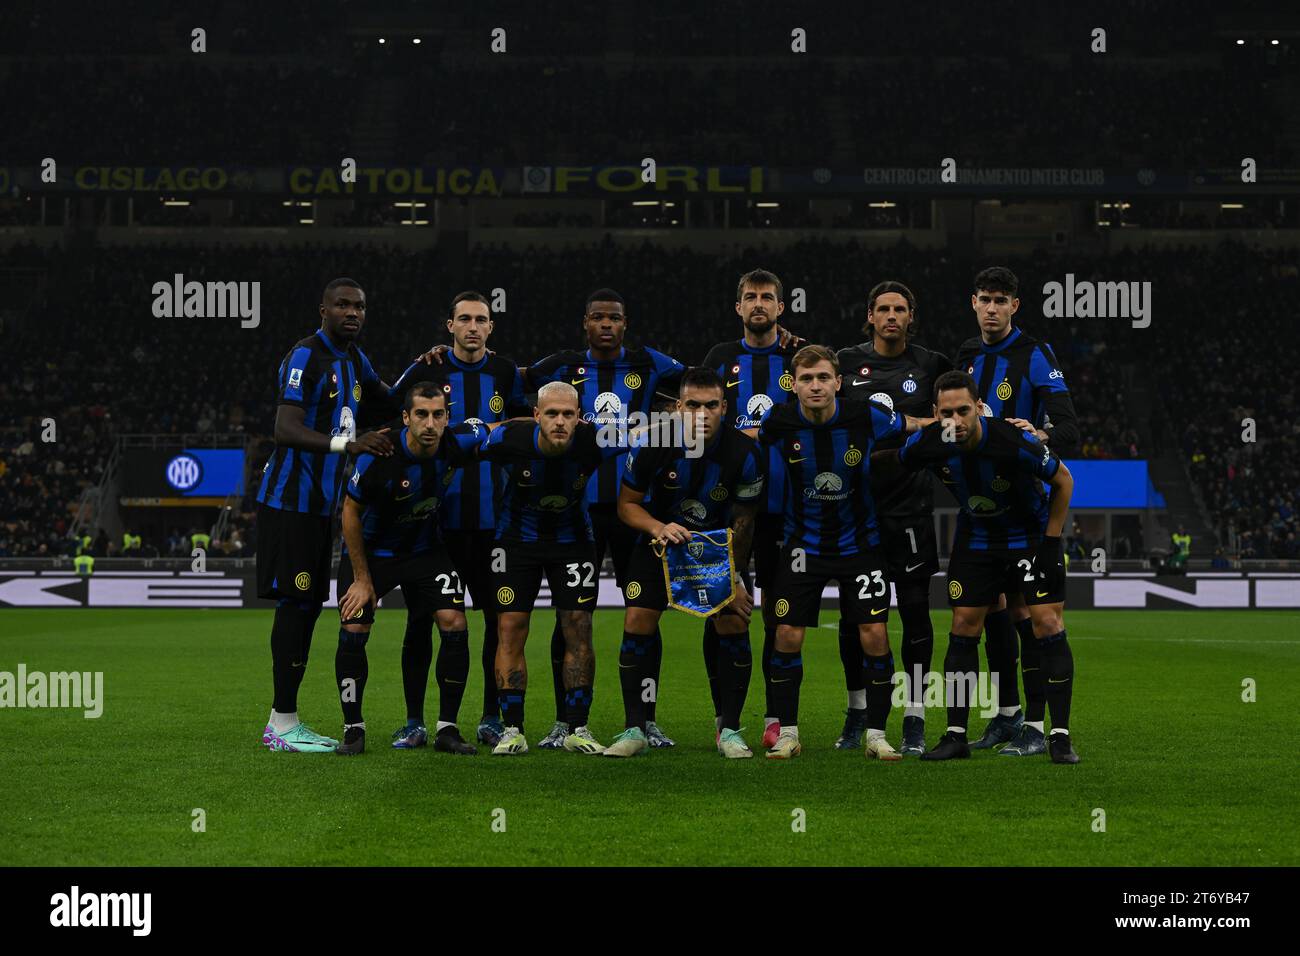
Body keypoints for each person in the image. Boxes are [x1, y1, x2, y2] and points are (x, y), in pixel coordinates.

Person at [877, 369, 1080, 764]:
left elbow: (1064, 481)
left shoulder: (1011, 439)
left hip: (1029, 537)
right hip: (977, 538)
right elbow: (891, 463)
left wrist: (1052, 545)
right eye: (947, 412)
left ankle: (1058, 735)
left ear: (979, 407)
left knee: (1047, 624)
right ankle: (956, 735)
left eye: (964, 411)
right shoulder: (929, 442)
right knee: (963, 626)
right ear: (935, 413)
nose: (956, 421)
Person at [526, 289, 687, 749]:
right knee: (572, 616)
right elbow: (509, 380)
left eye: (613, 318)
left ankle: (645, 719)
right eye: (597, 317)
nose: (605, 325)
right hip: (578, 511)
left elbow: (698, 380)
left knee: (645, 615)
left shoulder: (650, 364)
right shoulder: (561, 367)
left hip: (636, 510)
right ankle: (566, 720)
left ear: (625, 322)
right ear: (585, 322)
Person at [754, 345, 928, 760]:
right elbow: (752, 450)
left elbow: (910, 425)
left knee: (875, 635)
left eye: (823, 378)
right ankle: (789, 734)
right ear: (793, 385)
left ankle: (876, 735)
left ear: (838, 382)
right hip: (802, 547)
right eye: (807, 379)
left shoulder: (865, 414)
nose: (816, 386)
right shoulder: (778, 422)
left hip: (860, 545)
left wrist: (951, 421)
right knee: (787, 634)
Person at [255, 277, 395, 754]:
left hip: (320, 509)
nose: (352, 312)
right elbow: (284, 428)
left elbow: (389, 400)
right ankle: (281, 723)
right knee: (295, 607)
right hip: (289, 503)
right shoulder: (306, 355)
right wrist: (348, 444)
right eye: (342, 305)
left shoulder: (356, 360)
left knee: (308, 607)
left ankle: (286, 720)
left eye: (358, 305)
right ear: (323, 310)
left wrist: (426, 364)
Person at [385, 291, 530, 749]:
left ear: (491, 327)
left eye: (480, 319)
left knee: (496, 621)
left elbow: (525, 423)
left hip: (494, 525)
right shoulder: (427, 368)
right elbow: (389, 411)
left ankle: (490, 716)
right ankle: (414, 720)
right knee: (421, 621)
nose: (472, 326)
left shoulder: (505, 373)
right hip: (435, 527)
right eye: (464, 319)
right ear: (449, 325)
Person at [953, 266, 1080, 754]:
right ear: (974, 302)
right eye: (984, 299)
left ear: (1014, 307)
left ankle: (1035, 723)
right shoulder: (966, 355)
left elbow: (1068, 430)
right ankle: (1007, 717)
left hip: (1026, 516)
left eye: (1000, 301)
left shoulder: (1035, 355)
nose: (991, 308)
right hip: (982, 519)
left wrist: (1040, 434)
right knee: (990, 618)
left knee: (1033, 618)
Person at [610, 367, 765, 758]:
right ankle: (635, 728)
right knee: (637, 619)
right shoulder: (653, 444)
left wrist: (733, 578)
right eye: (692, 405)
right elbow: (627, 507)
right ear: (678, 407)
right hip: (661, 545)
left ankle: (728, 730)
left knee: (732, 619)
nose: (702, 413)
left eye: (711, 405)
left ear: (724, 407)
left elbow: (744, 524)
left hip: (716, 549)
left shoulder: (745, 453)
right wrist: (658, 527)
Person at [334, 383, 484, 756]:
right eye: (421, 414)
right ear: (406, 418)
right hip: (373, 555)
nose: (430, 423)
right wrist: (362, 578)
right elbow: (349, 512)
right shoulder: (379, 454)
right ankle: (354, 729)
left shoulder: (457, 442)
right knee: (354, 626)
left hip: (425, 550)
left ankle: (447, 729)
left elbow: (498, 429)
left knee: (454, 621)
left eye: (438, 415)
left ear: (448, 418)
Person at [835, 280, 952, 755]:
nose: (890, 316)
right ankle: (857, 709)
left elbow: (957, 414)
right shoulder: (844, 362)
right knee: (852, 617)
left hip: (911, 510)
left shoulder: (932, 365)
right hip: (855, 508)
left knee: (917, 614)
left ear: (910, 316)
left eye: (899, 309)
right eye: (882, 308)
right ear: (869, 315)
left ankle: (915, 716)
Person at [477, 382, 623, 755]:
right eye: (552, 414)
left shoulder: (596, 439)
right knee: (509, 627)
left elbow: (647, 436)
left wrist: (683, 422)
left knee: (578, 626)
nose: (560, 421)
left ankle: (578, 728)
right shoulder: (510, 436)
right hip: (515, 543)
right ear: (536, 415)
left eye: (568, 414)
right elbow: (460, 440)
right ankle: (512, 730)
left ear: (580, 417)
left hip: (573, 543)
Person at [701, 269, 801, 751]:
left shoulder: (799, 358)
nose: (758, 304)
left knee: (778, 618)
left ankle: (776, 718)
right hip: (724, 510)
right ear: (737, 307)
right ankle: (725, 717)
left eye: (767, 297)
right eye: (749, 297)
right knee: (720, 609)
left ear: (781, 307)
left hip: (785, 510)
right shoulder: (719, 359)